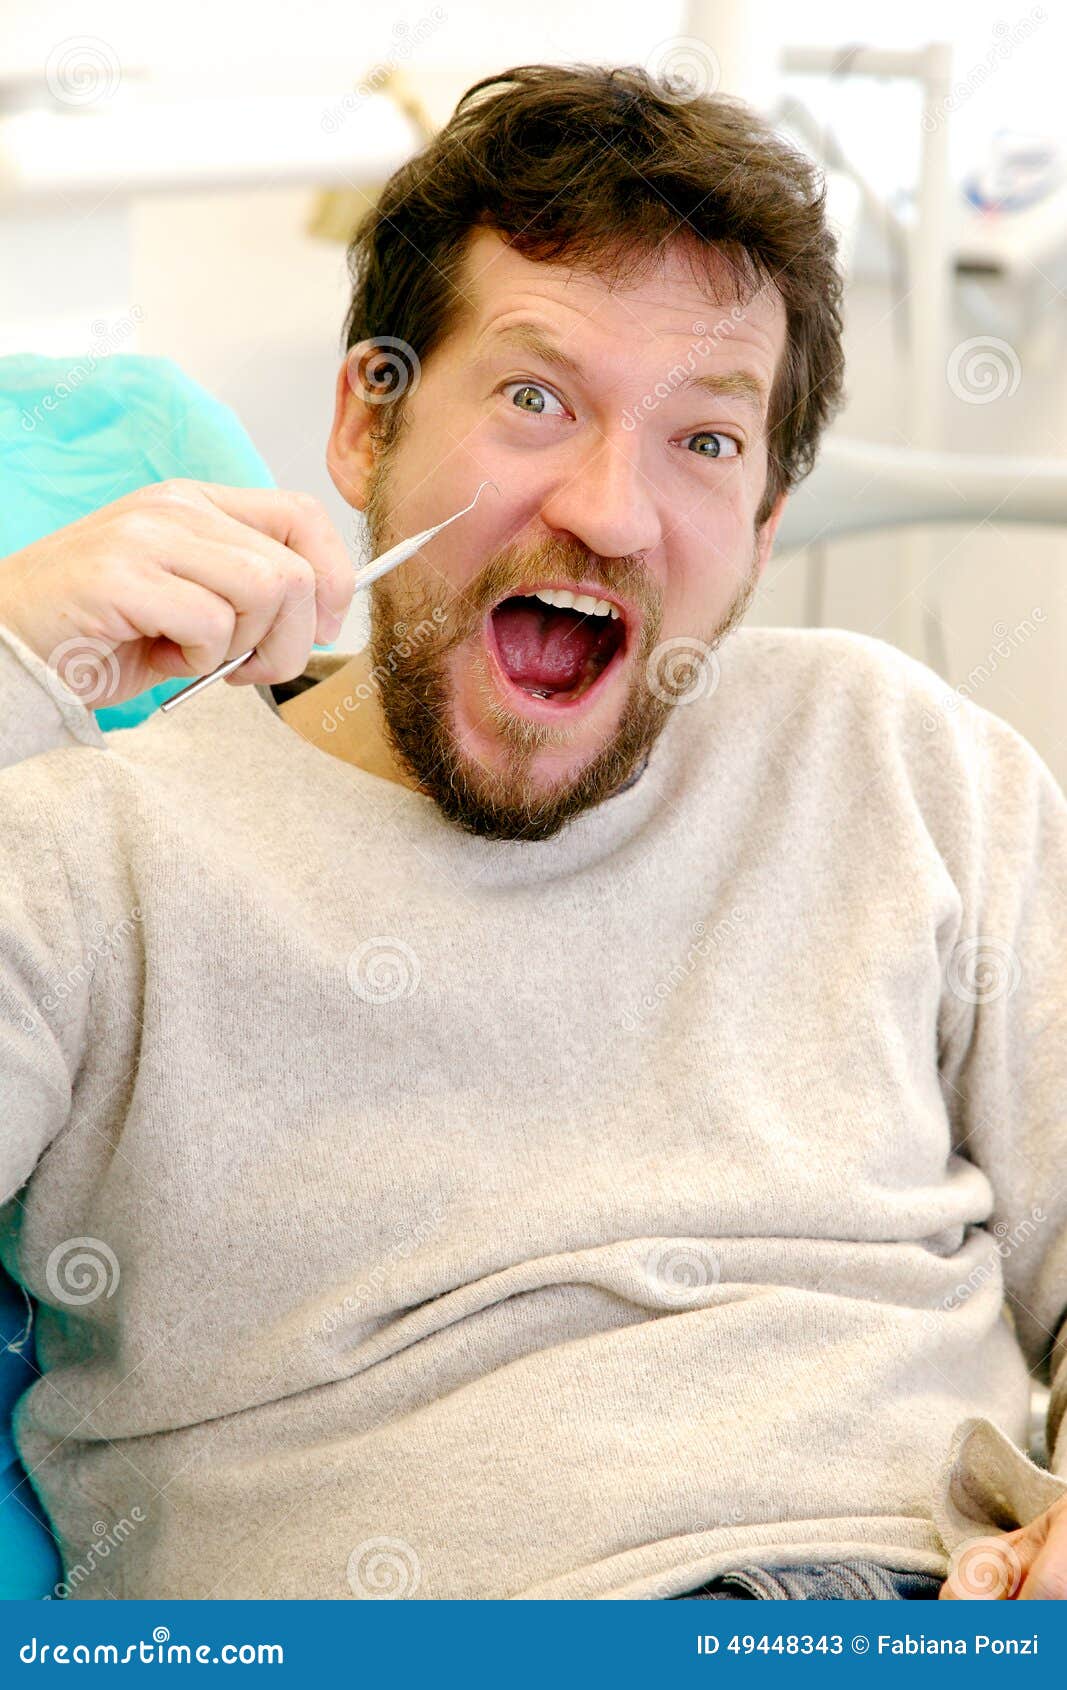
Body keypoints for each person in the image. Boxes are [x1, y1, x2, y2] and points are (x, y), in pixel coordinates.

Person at [1, 63, 1065, 1603]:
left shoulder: (898, 761)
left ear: (766, 525)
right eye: (536, 398)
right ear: (368, 425)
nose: (614, 511)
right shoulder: (90, 850)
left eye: (706, 442)